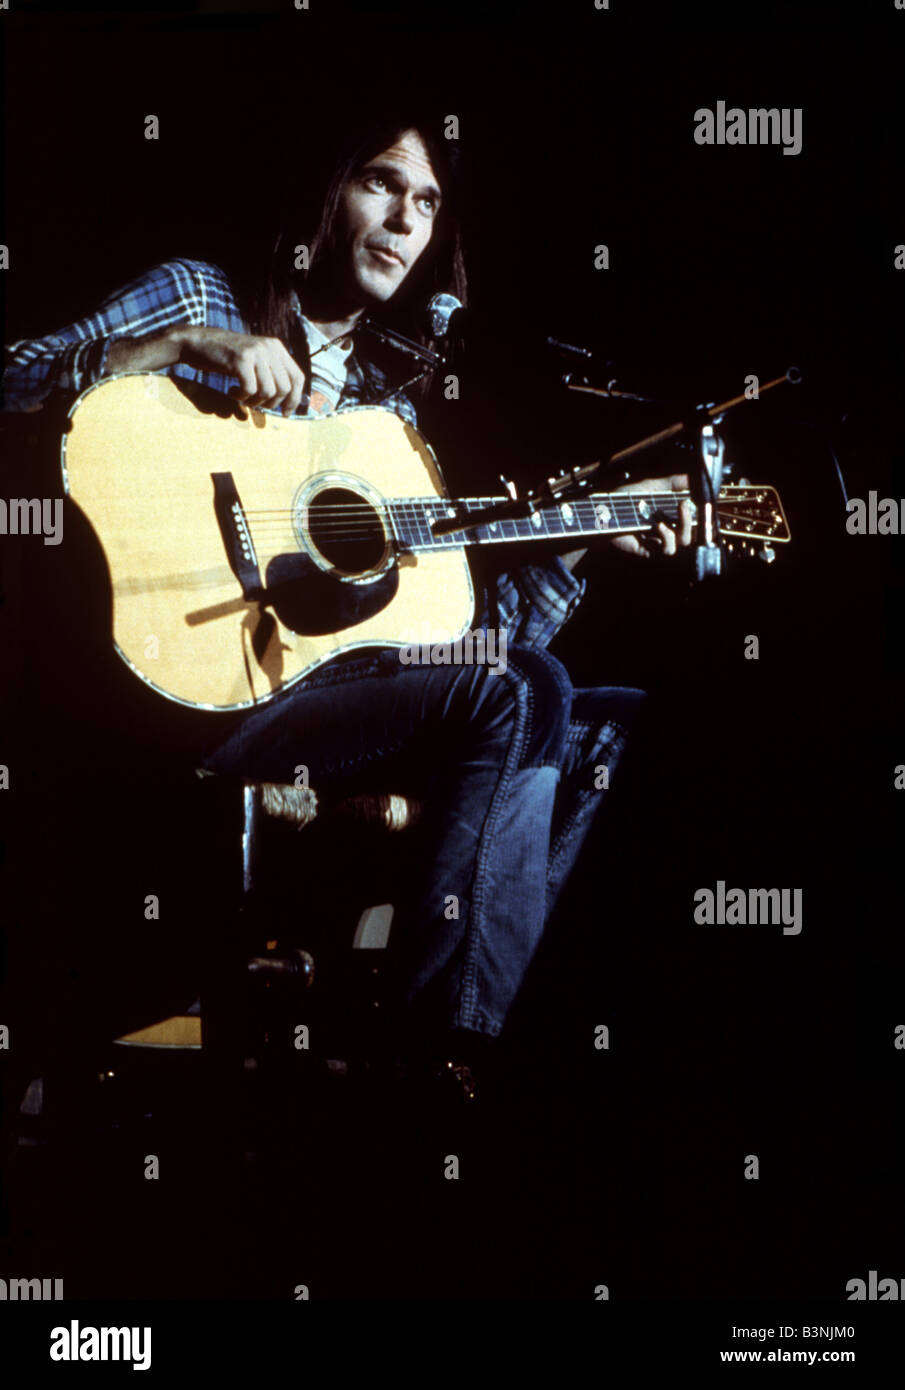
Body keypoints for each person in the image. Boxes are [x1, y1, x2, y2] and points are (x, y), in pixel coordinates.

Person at [2, 114, 693, 1105]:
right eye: (380, 184)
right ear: (327, 193)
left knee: (583, 712)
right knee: (517, 692)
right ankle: (440, 1058)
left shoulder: (387, 422)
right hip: (170, 691)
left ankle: (460, 1037)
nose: (402, 220)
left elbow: (468, 654)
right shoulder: (206, 292)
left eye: (426, 204)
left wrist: (574, 535)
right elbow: (15, 378)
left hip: (312, 711)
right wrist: (178, 345)